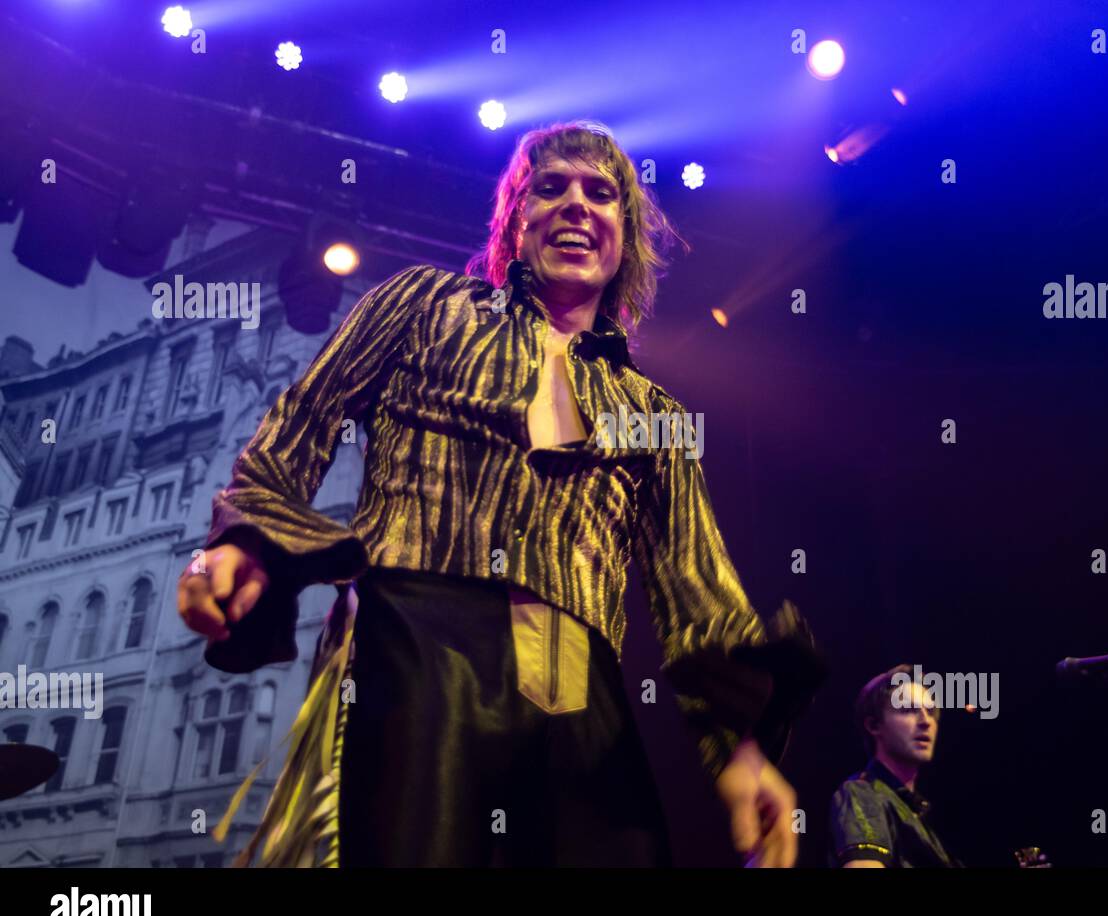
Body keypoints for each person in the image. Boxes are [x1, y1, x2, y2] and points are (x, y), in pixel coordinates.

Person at [177, 119, 823, 867]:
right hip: (419, 633)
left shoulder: (653, 414)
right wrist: (241, 542)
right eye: (551, 188)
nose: (577, 205)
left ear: (626, 233)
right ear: (515, 221)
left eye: (601, 193)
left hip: (568, 662)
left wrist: (739, 750)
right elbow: (304, 418)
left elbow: (695, 585)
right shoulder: (424, 305)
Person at [828, 664, 957, 868]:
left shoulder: (916, 811)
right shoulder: (863, 793)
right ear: (874, 725)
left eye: (931, 711)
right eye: (908, 710)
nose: (926, 721)